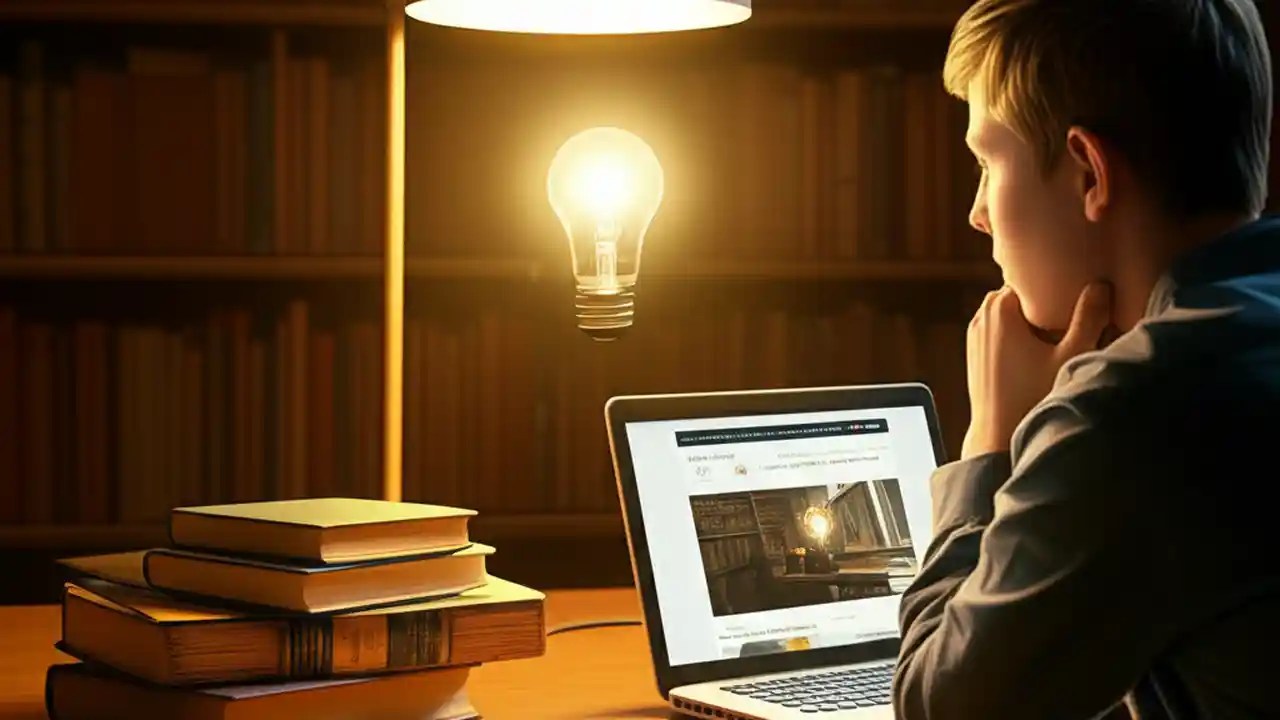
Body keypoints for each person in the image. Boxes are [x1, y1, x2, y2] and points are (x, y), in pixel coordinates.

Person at [891, 1, 1280, 718]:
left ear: (1089, 174)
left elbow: (939, 708)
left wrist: (992, 444)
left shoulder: (1133, 412)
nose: (977, 213)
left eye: (985, 163)